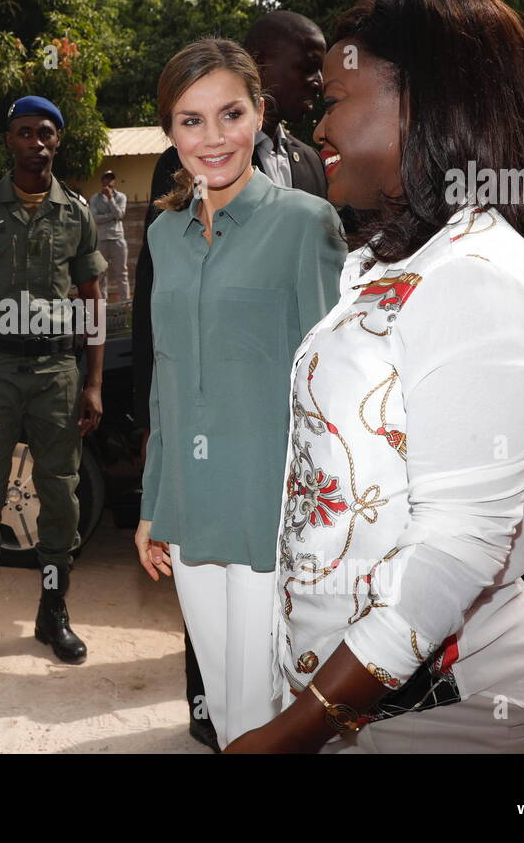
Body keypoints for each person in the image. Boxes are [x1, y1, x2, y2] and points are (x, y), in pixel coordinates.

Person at [228, 0, 524, 754]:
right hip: (369, 701)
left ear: (419, 103)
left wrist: (296, 729)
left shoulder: (478, 274)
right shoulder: (391, 261)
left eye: (338, 96)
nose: (319, 123)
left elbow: (457, 550)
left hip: (438, 711)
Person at [132, 38, 345, 750]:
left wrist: (325, 526)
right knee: (222, 707)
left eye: (229, 113)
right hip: (190, 510)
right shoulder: (164, 233)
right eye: (190, 120)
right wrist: (154, 504)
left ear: (260, 113)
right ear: (169, 132)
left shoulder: (304, 222)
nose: (212, 137)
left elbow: (332, 390)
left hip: (272, 511)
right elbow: (165, 378)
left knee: (269, 715)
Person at [0, 95, 107, 671]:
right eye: (24, 132)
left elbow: (92, 297)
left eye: (46, 133)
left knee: (60, 492)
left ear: (58, 141)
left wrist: (94, 382)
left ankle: (52, 611)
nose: (36, 142)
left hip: (59, 372)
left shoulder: (76, 211)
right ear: (9, 140)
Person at [89, 171, 128, 302]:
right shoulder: (95, 198)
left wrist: (111, 198)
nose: (108, 181)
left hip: (117, 239)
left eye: (111, 179)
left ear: (114, 181)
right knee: (101, 274)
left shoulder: (121, 197)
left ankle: (125, 303)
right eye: (106, 178)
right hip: (101, 239)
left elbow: (120, 215)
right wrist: (111, 216)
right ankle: (102, 304)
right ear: (102, 181)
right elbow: (95, 218)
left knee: (122, 273)